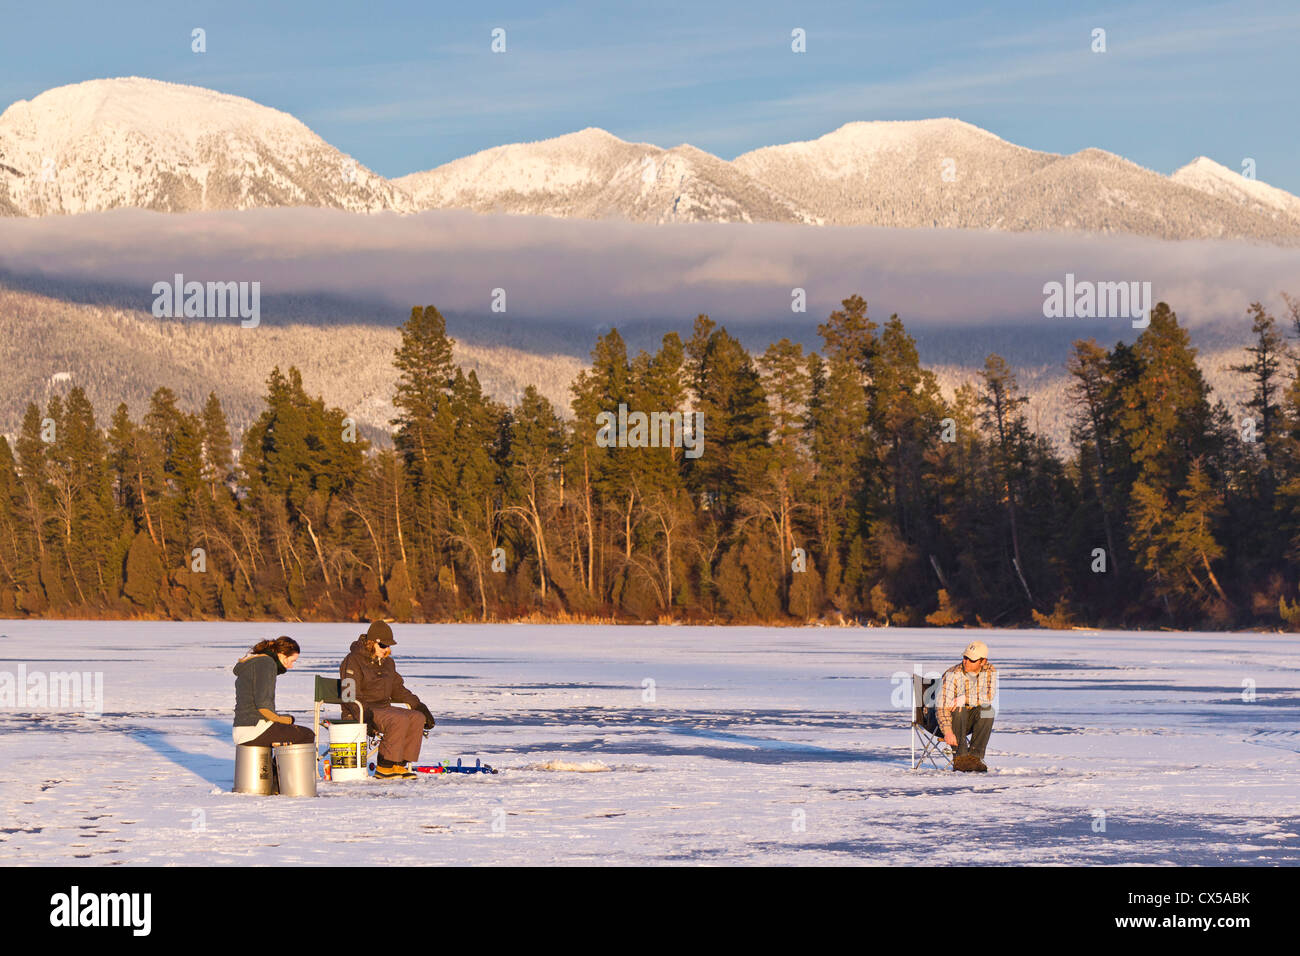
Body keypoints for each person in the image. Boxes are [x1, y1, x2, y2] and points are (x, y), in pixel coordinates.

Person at [340, 621, 436, 780]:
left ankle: (399, 764)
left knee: (416, 717)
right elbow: (349, 694)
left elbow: (398, 689)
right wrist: (365, 716)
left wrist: (418, 705)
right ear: (372, 643)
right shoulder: (353, 660)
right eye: (383, 645)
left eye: (388, 646)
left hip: (383, 707)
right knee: (398, 719)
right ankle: (384, 766)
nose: (387, 650)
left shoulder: (388, 663)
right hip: (362, 709)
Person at [233, 636, 315, 747]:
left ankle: (273, 764)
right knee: (306, 734)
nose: (291, 666)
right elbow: (263, 705)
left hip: (242, 728)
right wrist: (284, 720)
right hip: (256, 729)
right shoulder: (266, 663)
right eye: (292, 661)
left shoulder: (254, 663)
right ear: (281, 654)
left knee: (286, 733)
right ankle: (280, 765)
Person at [938, 639, 998, 772]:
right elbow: (942, 706)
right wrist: (947, 731)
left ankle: (974, 758)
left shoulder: (989, 670)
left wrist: (965, 698)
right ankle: (960, 759)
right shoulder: (953, 674)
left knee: (988, 710)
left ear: (983, 661)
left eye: (971, 659)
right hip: (949, 721)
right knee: (960, 709)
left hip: (969, 721)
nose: (966, 661)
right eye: (965, 657)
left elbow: (988, 697)